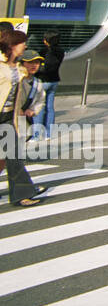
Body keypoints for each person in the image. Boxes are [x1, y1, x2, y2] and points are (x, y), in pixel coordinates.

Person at [0, 31, 44, 207]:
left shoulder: (18, 68)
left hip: (8, 116)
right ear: (12, 45)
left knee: (13, 156)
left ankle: (22, 194)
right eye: (22, 43)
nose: (24, 46)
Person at [29, 32, 63, 142]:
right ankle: (48, 133)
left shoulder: (46, 52)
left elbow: (46, 67)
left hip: (43, 80)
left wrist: (36, 71)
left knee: (39, 107)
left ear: (45, 40)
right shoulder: (60, 51)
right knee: (50, 107)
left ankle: (37, 135)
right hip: (54, 80)